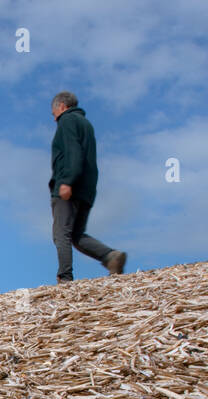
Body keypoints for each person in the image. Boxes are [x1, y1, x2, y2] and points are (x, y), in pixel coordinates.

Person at [49, 91, 126, 283]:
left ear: (62, 107)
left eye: (53, 113)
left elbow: (73, 152)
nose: (54, 118)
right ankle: (109, 256)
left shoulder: (67, 121)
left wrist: (67, 181)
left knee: (61, 233)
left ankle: (65, 278)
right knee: (76, 234)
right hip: (88, 188)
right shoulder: (86, 124)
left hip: (71, 186)